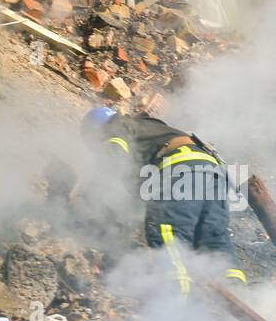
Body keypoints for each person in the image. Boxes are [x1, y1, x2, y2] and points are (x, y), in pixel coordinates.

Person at [81, 105, 246, 293]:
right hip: (213, 173)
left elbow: (114, 157)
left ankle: (177, 301)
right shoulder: (150, 131)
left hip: (180, 168)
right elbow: (138, 197)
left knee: (168, 233)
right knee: (214, 238)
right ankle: (240, 298)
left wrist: (89, 197)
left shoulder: (116, 125)